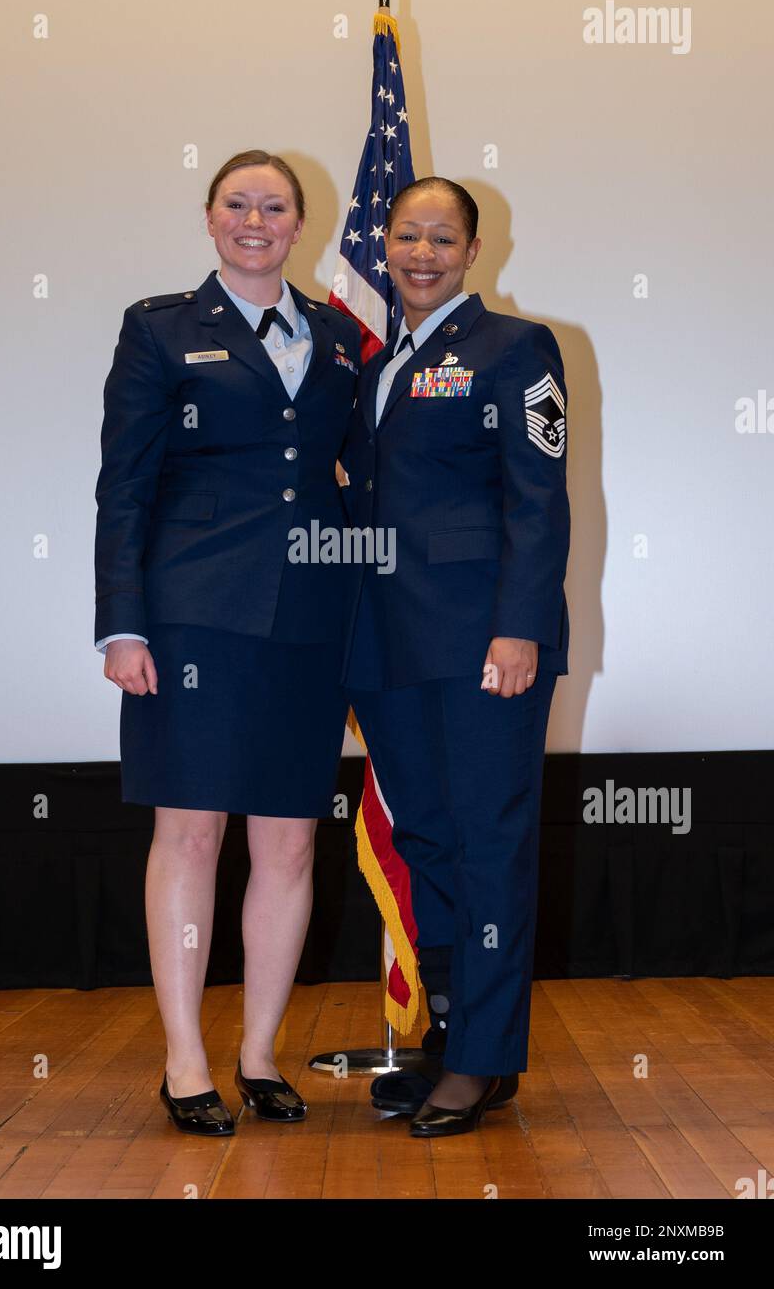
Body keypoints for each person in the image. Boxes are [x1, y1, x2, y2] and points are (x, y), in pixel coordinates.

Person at [94, 150, 360, 1135]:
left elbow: (354, 478)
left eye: (276, 207)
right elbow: (123, 484)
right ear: (211, 219)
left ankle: (256, 1053)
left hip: (307, 621)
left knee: (289, 843)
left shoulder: (336, 338)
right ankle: (185, 1059)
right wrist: (122, 621)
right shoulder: (159, 328)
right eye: (238, 203)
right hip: (192, 617)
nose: (257, 219)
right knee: (193, 834)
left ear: (300, 225)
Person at [340, 175, 570, 1137]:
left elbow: (536, 498)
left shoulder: (518, 350)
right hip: (389, 651)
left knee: (488, 845)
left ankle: (482, 1062)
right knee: (429, 840)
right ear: (383, 246)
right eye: (406, 235)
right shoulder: (378, 363)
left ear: (475, 252)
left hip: (484, 649)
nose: (421, 253)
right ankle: (454, 1036)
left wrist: (519, 629)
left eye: (442, 237)